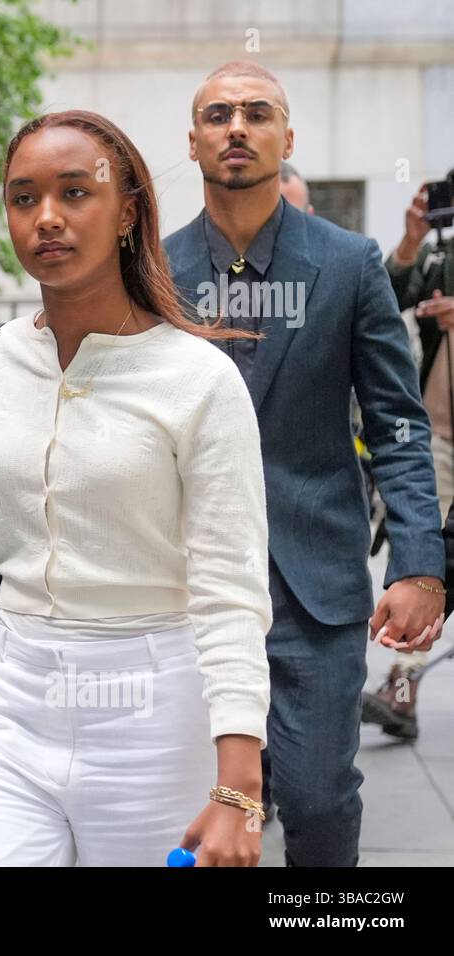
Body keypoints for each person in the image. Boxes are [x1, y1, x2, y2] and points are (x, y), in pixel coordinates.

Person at [0, 109, 268, 866]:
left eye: (74, 193)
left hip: (152, 716)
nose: (47, 218)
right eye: (24, 198)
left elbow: (231, 589)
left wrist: (238, 786)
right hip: (9, 700)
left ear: (127, 212)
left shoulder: (199, 380)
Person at [164, 60, 447, 866]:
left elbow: (397, 422)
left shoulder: (351, 264)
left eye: (258, 113)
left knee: (318, 798)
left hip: (314, 584)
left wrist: (420, 563)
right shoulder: (152, 270)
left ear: (288, 135)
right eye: (218, 115)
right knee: (201, 806)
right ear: (194, 142)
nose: (237, 128)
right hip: (182, 583)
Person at [363, 170, 454, 739]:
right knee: (431, 558)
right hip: (440, 430)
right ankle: (402, 682)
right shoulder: (438, 260)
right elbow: (386, 297)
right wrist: (411, 237)